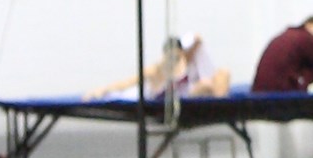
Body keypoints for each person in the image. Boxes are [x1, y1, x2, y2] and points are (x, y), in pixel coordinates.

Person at [84, 32, 231, 100]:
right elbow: (128, 82)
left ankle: (221, 99)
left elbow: (197, 39)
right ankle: (219, 96)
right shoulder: (157, 70)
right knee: (205, 84)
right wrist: (103, 90)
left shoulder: (187, 62)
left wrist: (187, 41)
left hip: (183, 94)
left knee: (222, 74)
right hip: (153, 96)